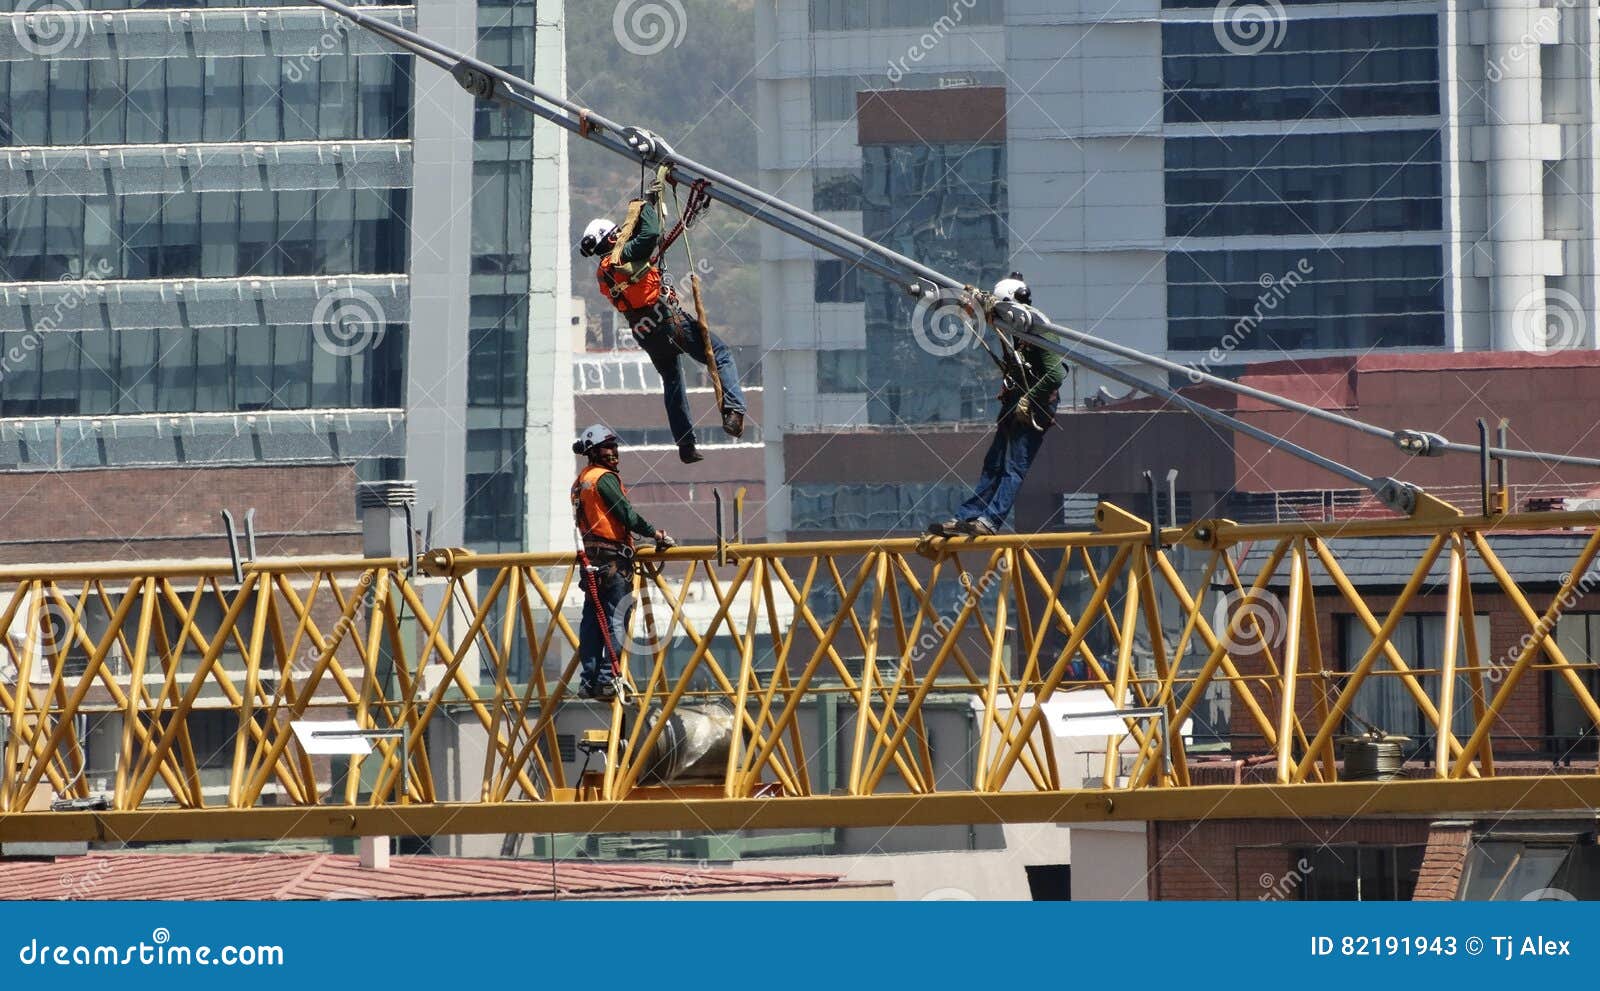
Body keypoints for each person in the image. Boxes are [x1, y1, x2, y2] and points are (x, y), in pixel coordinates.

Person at [579, 176, 746, 465]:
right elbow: (651, 233)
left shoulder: (604, 273)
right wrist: (642, 205)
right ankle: (733, 411)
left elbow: (643, 247)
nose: (621, 235)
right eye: (617, 233)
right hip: (667, 321)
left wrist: (651, 203)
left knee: (672, 381)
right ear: (610, 238)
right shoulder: (621, 258)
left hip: (646, 333)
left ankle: (685, 445)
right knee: (721, 353)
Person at [929, 273, 1065, 537]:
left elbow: (1057, 375)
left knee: (1014, 466)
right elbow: (988, 309)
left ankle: (990, 522)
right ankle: (966, 517)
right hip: (1016, 399)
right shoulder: (1013, 325)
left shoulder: (1040, 329)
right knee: (993, 461)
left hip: (1035, 405)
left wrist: (1029, 398)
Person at [570, 424, 674, 699]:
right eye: (607, 447)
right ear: (593, 452)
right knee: (617, 618)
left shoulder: (582, 480)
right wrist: (655, 534)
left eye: (615, 446)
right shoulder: (604, 479)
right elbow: (626, 515)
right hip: (613, 561)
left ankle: (588, 681)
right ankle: (606, 679)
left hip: (591, 561)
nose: (614, 452)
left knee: (592, 621)